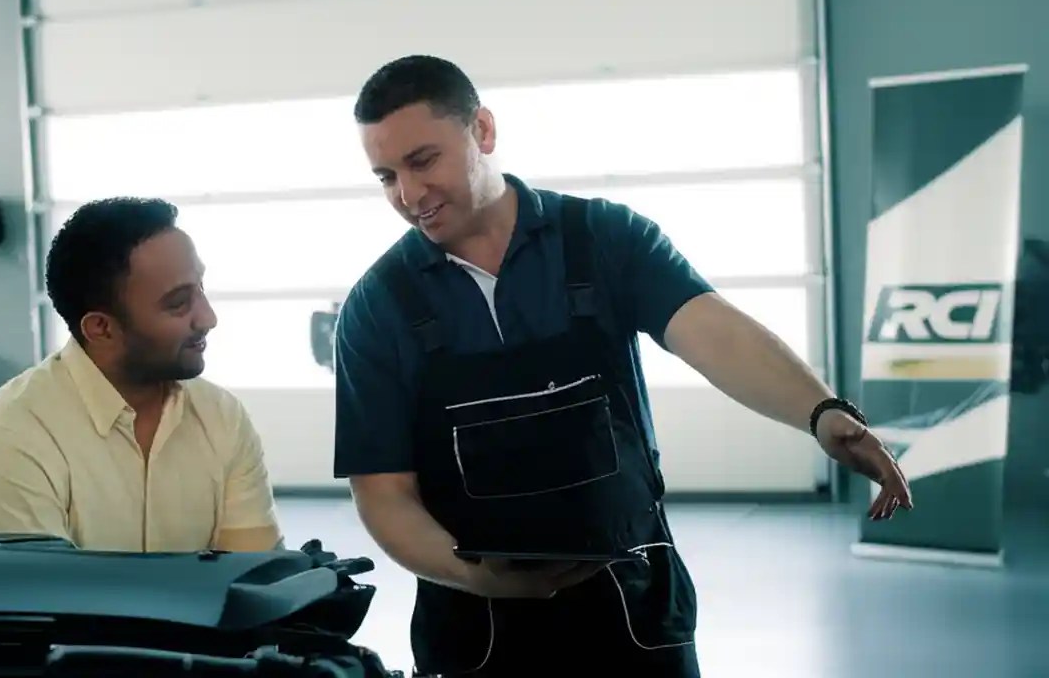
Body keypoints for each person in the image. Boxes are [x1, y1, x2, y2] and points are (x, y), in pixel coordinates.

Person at [332, 55, 913, 676]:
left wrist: (821, 413)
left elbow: (715, 332)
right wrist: (478, 577)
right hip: (478, 630)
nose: (409, 195)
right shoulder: (378, 307)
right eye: (387, 176)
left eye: (423, 161)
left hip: (633, 610)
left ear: (482, 131)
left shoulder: (602, 238)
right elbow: (384, 494)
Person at [0, 197, 283, 553]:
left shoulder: (222, 417)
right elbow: (44, 603)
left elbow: (257, 580)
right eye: (178, 303)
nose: (208, 318)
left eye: (201, 288)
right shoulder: (8, 442)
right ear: (101, 328)